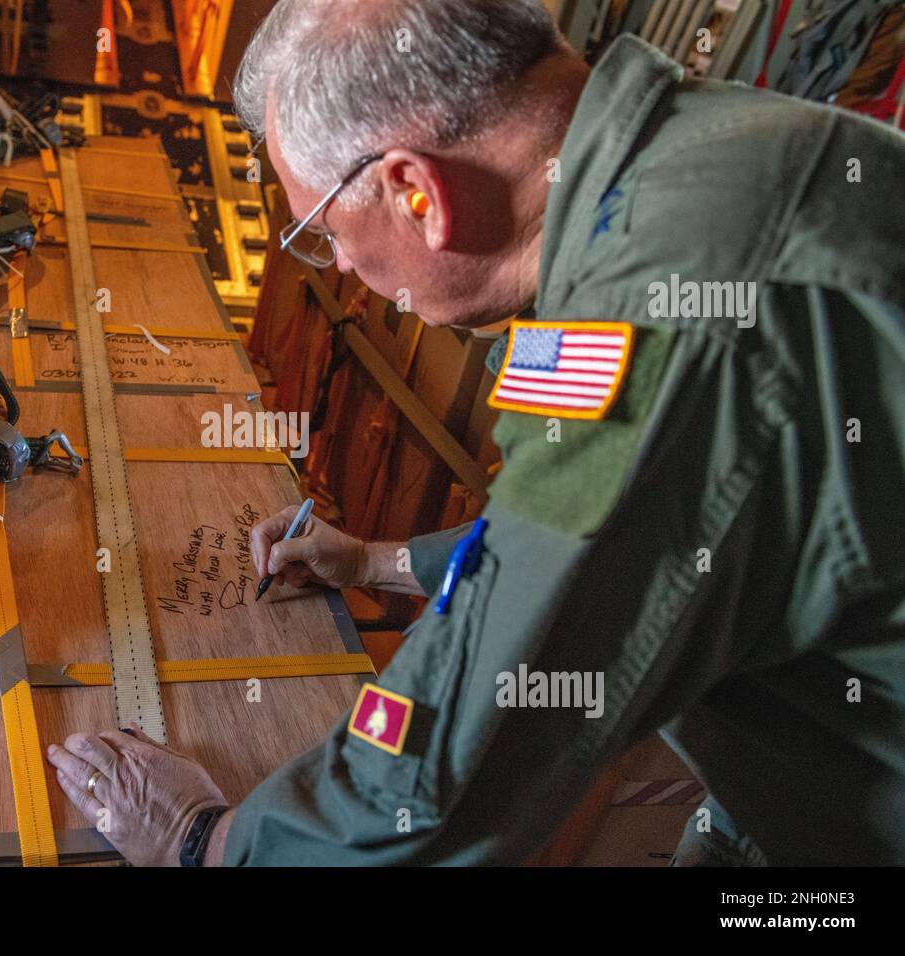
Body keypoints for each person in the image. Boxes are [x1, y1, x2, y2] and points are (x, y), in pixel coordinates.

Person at [45, 0, 905, 865]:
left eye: (326, 234)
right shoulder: (672, 169)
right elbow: (570, 530)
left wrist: (205, 841)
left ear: (416, 191)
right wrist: (380, 561)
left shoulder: (656, 315)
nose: (339, 266)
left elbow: (449, 768)